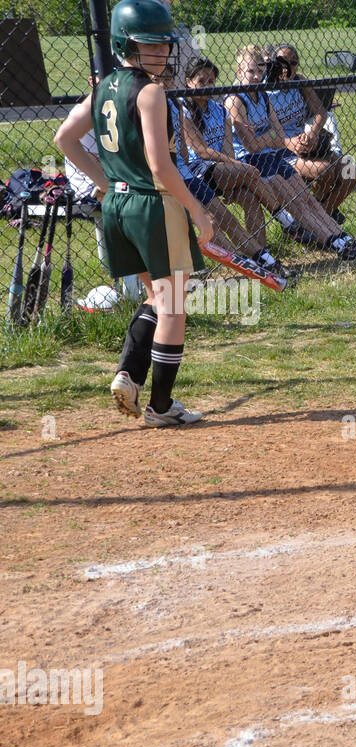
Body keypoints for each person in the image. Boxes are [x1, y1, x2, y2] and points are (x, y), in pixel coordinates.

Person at [53, 0, 214, 427]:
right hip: (151, 205)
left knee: (157, 298)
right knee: (175, 304)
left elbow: (65, 138)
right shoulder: (151, 92)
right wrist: (197, 210)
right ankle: (161, 407)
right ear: (127, 42)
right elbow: (161, 167)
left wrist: (106, 184)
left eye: (165, 44)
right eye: (151, 44)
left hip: (118, 208)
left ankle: (128, 375)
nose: (162, 52)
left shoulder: (103, 87)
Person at [226, 45, 356, 261]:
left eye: (259, 70)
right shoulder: (240, 98)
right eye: (252, 71)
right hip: (260, 159)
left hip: (281, 151)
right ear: (240, 72)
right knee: (302, 199)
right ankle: (334, 242)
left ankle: (341, 238)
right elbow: (253, 145)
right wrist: (279, 140)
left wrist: (310, 136)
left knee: (316, 195)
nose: (257, 76)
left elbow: (277, 133)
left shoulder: (265, 94)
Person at [175, 57, 298, 278]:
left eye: (211, 81)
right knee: (249, 174)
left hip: (221, 169)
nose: (207, 86)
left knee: (250, 199)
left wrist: (234, 171)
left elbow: (227, 148)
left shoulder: (218, 109)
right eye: (201, 81)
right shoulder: (182, 108)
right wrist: (237, 167)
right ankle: (284, 221)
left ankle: (262, 258)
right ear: (188, 81)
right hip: (198, 170)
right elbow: (201, 151)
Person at [264, 44, 356, 222]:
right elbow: (263, 131)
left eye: (293, 63)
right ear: (273, 63)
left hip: (305, 144)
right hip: (279, 150)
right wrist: (289, 142)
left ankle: (320, 216)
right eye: (283, 62)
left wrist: (313, 134)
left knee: (350, 171)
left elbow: (321, 112)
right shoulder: (264, 90)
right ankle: (318, 219)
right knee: (325, 170)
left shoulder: (299, 82)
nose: (288, 67)